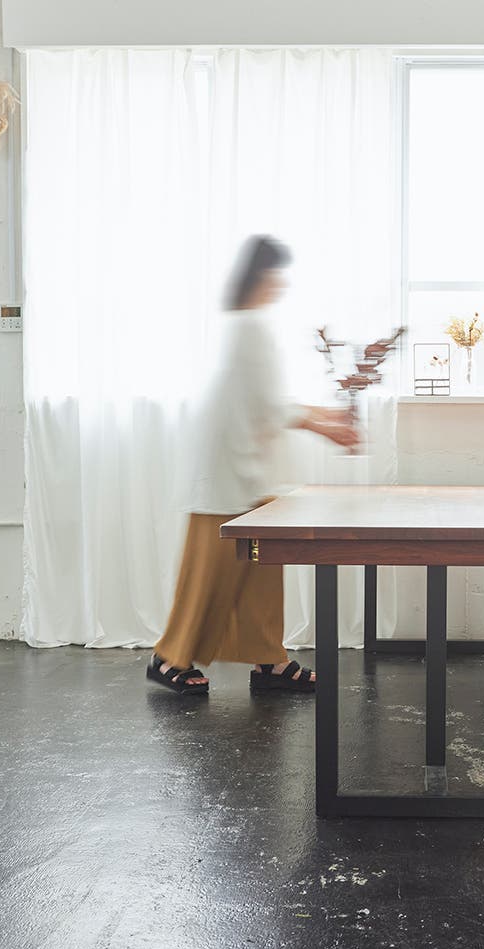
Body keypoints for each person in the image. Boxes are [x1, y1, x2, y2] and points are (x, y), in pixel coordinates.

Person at [146, 236, 358, 696]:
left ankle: (270, 661)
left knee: (262, 565)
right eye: (277, 274)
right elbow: (267, 406)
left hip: (247, 469)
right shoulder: (250, 328)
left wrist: (325, 418)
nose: (281, 284)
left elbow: (267, 403)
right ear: (260, 276)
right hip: (228, 472)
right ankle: (169, 658)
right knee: (211, 571)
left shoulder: (248, 326)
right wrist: (328, 426)